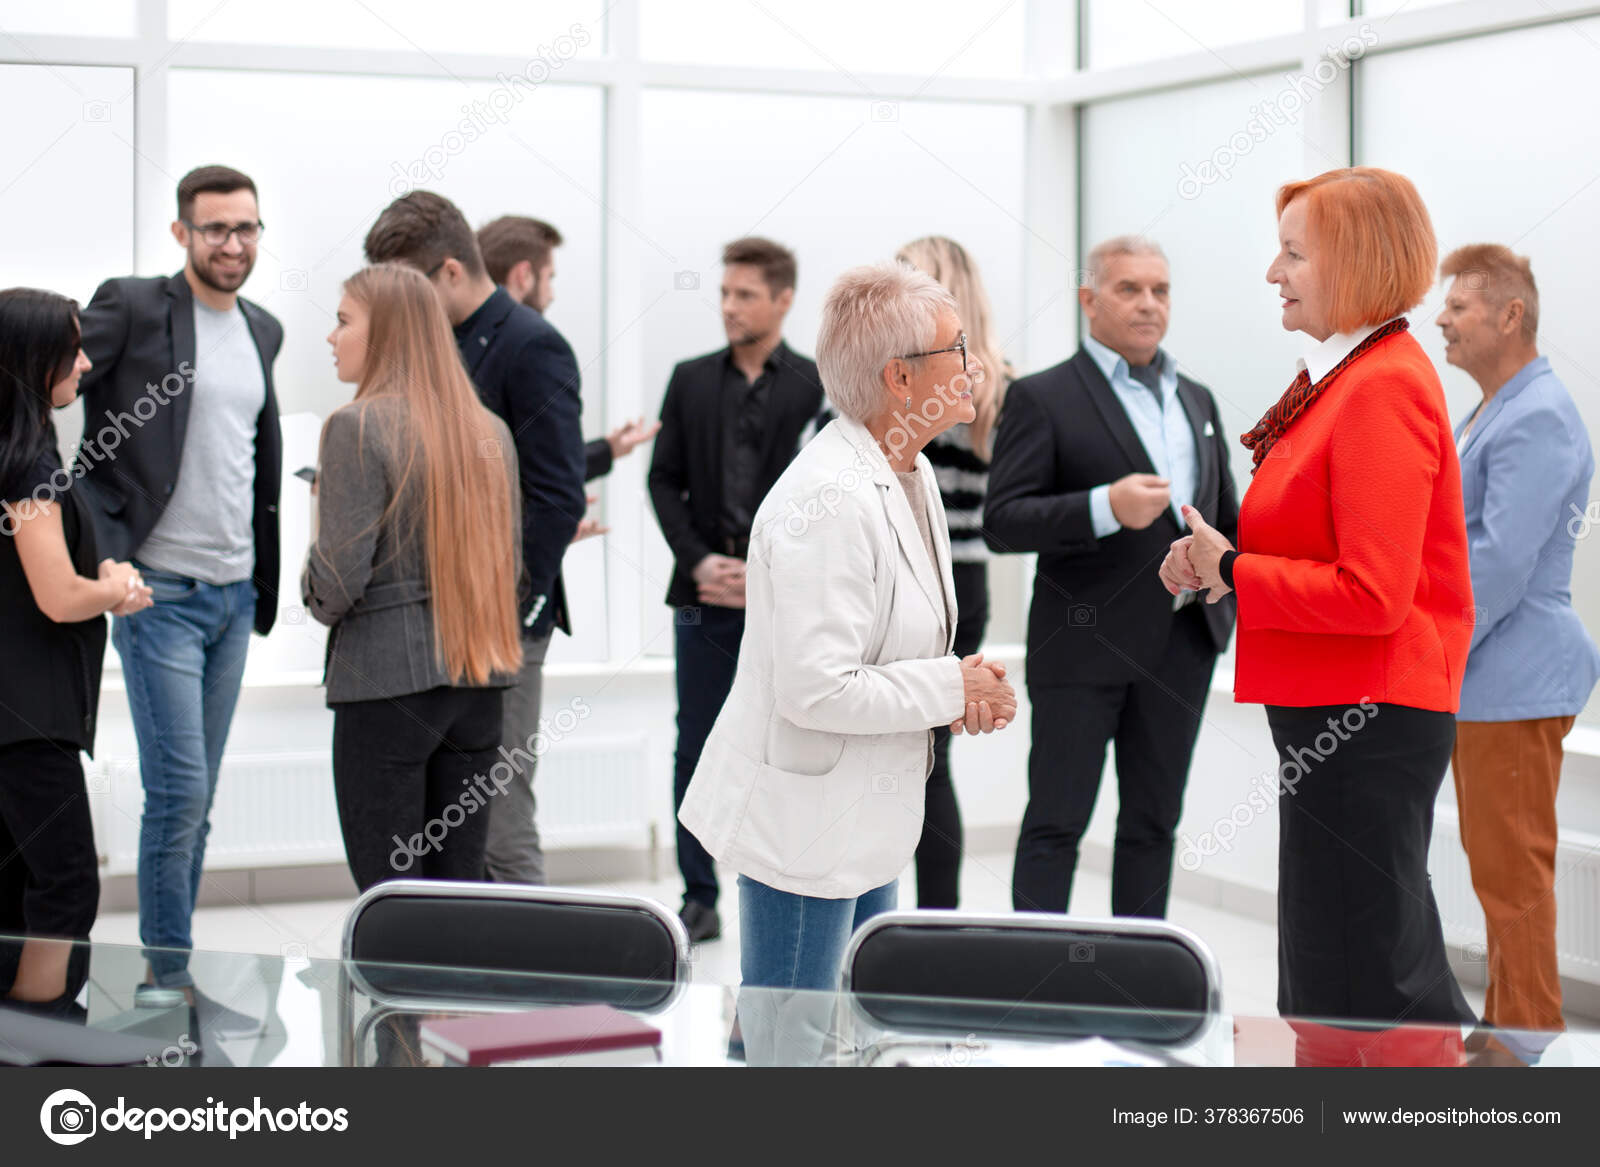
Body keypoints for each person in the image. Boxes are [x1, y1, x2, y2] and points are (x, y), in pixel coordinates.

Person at [1167, 167, 1476, 1063]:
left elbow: (1374, 596)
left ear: (1356, 261)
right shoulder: (1349, 377)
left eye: (1295, 253)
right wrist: (1224, 564)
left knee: (1368, 977)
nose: (1273, 272)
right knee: (1344, 963)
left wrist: (1236, 566)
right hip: (1345, 716)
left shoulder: (1380, 387)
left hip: (1368, 715)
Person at [678, 261, 1016, 1065]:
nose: (977, 363)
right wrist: (946, 685)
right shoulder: (820, 501)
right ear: (901, 378)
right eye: (957, 348)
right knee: (788, 1052)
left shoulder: (912, 469)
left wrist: (961, 685)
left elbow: (887, 643)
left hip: (863, 815)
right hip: (807, 827)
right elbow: (815, 686)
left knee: (846, 1042)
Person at [74, 165, 283, 1000]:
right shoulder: (133, 305)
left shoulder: (263, 328)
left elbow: (247, 453)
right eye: (215, 229)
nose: (232, 244)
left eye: (246, 228)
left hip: (234, 595)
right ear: (181, 235)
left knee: (197, 797)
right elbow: (43, 375)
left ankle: (172, 964)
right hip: (157, 588)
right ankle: (168, 975)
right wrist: (77, 514)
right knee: (181, 789)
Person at [985, 235, 1238, 919]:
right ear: (1089, 300)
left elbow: (1226, 516)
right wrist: (1104, 507)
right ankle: (1032, 995)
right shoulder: (1041, 397)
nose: (1148, 303)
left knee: (1154, 825)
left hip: (1183, 647)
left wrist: (1228, 585)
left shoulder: (1199, 399)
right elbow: (1002, 520)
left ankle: (1142, 989)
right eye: (1129, 289)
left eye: (1160, 289)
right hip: (1081, 646)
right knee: (1056, 823)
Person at [365, 192, 586, 889]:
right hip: (434, 619)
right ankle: (460, 978)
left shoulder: (532, 345)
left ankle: (533, 983)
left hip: (503, 617)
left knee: (500, 805)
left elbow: (556, 495)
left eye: (409, 287)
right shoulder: (433, 342)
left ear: (452, 271)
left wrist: (505, 605)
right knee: (451, 813)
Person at [304, 264, 523, 892]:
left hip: (386, 688)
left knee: (390, 899)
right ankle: (456, 996)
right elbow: (506, 565)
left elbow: (335, 586)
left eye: (344, 321)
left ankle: (399, 997)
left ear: (387, 335)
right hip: (479, 685)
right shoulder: (493, 433)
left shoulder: (355, 427)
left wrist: (319, 519)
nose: (331, 336)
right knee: (458, 895)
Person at [1435, 244, 1600, 1064]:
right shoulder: (1497, 407)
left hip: (1516, 670)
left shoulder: (1535, 413)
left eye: (1458, 307)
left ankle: (1524, 1044)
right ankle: (1507, 1025)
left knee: (1512, 869)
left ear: (1510, 315)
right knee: (1496, 862)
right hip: (1494, 673)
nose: (1441, 320)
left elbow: (1497, 563)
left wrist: (1430, 650)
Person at [647, 237, 824, 942]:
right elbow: (663, 479)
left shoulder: (818, 386)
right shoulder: (689, 380)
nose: (729, 306)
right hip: (702, 595)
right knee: (695, 741)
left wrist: (768, 574)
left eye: (745, 294)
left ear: (783, 299)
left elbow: (828, 496)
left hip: (784, 599)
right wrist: (698, 561)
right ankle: (700, 894)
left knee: (784, 742)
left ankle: (777, 882)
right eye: (724, 293)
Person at [0, 289, 152, 1017]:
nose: (87, 362)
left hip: (18, 716)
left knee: (17, 887)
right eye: (72, 348)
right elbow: (58, 594)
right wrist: (115, 584)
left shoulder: (18, 459)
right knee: (65, 885)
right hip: (29, 722)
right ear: (34, 360)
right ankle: (39, 1038)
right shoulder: (29, 467)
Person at [891, 236, 1009, 909]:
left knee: (917, 759)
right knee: (932, 758)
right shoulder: (1002, 379)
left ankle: (926, 925)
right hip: (966, 582)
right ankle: (936, 922)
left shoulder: (932, 377)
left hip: (925, 574)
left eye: (907, 275)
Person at [477, 213, 659, 537]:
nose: (552, 294)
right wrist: (552, 526)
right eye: (550, 277)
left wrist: (609, 449)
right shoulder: (536, 346)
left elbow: (521, 465)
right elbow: (543, 482)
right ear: (524, 275)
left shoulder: (462, 345)